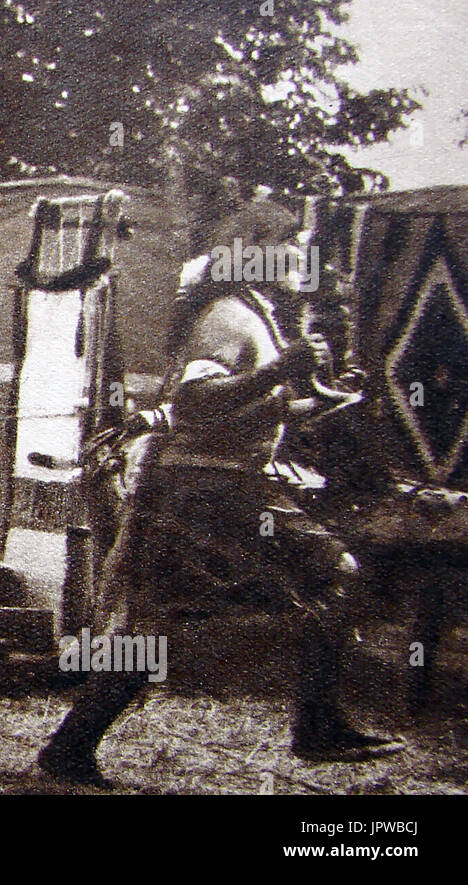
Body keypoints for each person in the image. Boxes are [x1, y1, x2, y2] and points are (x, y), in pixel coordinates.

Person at [38, 200, 403, 788]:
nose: (300, 257)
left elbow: (247, 409)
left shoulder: (247, 313)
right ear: (256, 251)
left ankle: (68, 749)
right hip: (210, 488)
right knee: (338, 571)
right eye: (291, 244)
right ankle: (316, 725)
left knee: (151, 633)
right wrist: (282, 370)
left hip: (202, 485)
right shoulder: (228, 317)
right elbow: (195, 404)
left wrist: (327, 401)